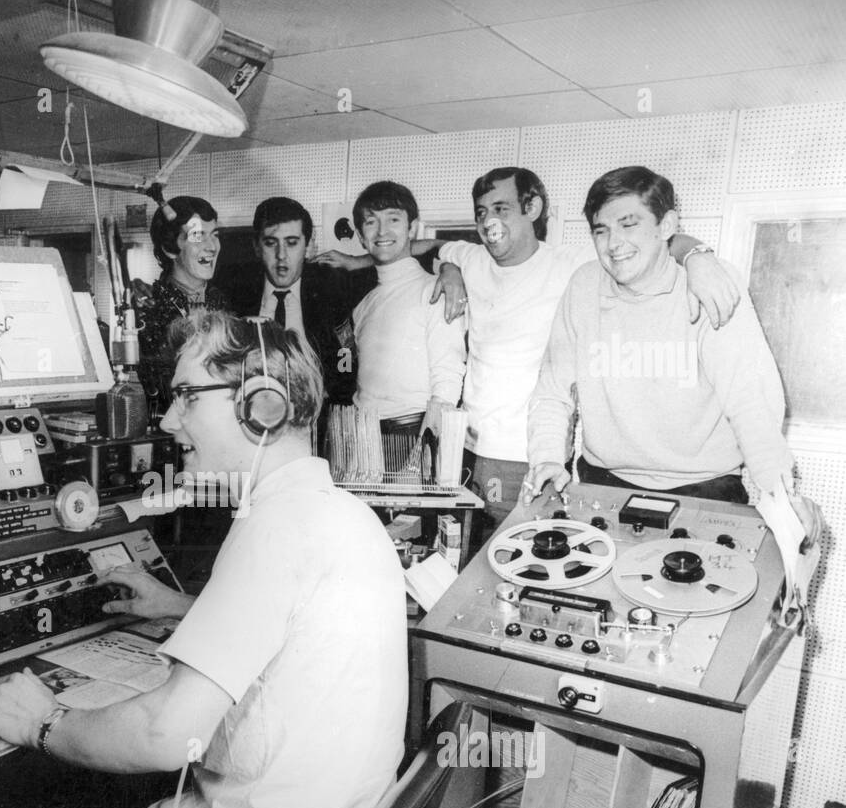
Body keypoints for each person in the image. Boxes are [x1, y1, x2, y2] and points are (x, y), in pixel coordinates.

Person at [0, 310, 408, 808]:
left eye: (186, 397)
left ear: (263, 407)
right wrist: (181, 606)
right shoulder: (340, 511)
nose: (170, 420)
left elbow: (164, 735)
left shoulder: (275, 528)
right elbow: (296, 629)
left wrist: (41, 722)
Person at [425, 167, 742, 538]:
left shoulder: (574, 265)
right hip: (470, 447)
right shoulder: (471, 258)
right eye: (481, 212)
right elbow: (424, 247)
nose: (489, 221)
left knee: (522, 555)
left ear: (533, 207)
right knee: (466, 554)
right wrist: (448, 267)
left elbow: (650, 241)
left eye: (501, 208)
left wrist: (697, 255)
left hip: (529, 455)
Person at [525, 165, 817, 534]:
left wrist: (779, 492)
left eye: (629, 225)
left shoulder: (710, 285)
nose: (614, 244)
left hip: (704, 488)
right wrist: (547, 459)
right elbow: (552, 391)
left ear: (666, 226)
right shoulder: (583, 286)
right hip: (603, 481)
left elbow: (750, 400)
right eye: (602, 230)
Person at [228, 196, 376, 405]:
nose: (282, 255)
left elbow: (346, 356)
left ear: (308, 246)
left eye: (292, 243)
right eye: (271, 243)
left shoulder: (332, 285)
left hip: (315, 415)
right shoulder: (235, 288)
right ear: (257, 247)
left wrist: (359, 260)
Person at [349, 181, 466, 444]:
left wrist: (428, 443)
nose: (382, 231)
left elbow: (448, 373)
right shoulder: (363, 304)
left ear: (411, 227)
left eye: (393, 219)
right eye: (371, 222)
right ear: (360, 235)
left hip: (412, 433)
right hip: (361, 434)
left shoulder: (434, 290)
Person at [134, 195, 229, 423]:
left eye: (214, 234)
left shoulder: (225, 303)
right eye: (198, 235)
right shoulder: (147, 309)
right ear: (169, 248)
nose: (211, 246)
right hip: (169, 441)